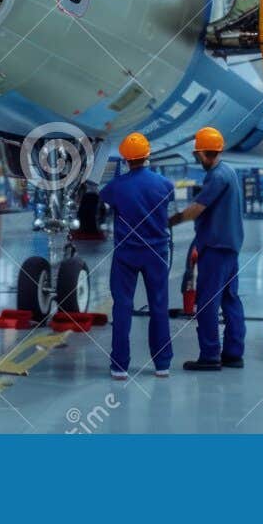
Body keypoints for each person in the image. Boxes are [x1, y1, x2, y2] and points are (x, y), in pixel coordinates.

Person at [168, 126, 246, 371]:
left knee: (207, 302)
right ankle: (233, 354)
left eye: (196, 155)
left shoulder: (216, 176)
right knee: (230, 299)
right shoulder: (229, 172)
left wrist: (172, 220)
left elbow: (197, 209)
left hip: (215, 248)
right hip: (230, 247)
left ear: (202, 154)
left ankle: (210, 355)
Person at [98, 132, 175, 380]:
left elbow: (103, 197)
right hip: (157, 253)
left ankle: (119, 366)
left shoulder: (116, 187)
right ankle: (162, 364)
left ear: (125, 159)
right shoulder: (164, 185)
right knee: (159, 307)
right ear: (148, 155)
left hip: (126, 255)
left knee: (123, 306)